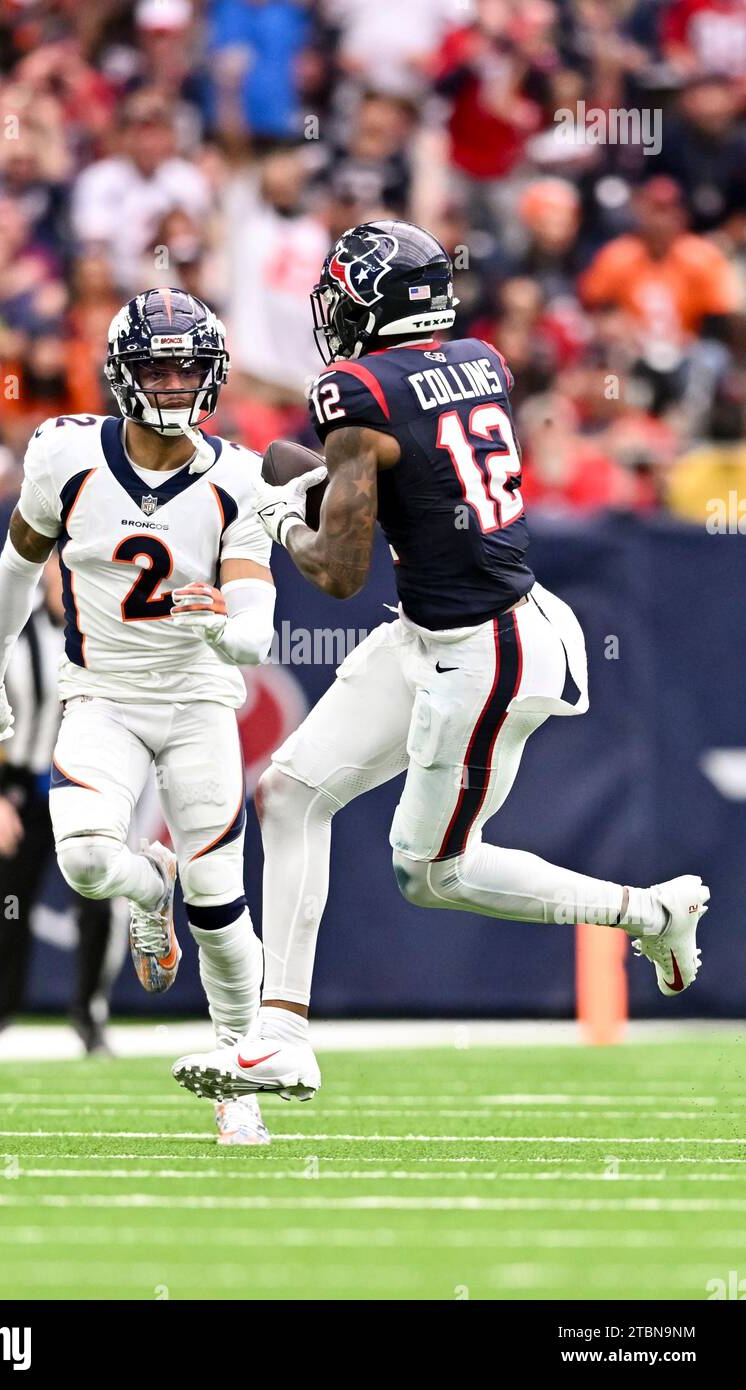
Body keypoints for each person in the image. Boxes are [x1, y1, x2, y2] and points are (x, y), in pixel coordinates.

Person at [172, 220, 710, 1104]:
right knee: (290, 791)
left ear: (373, 306)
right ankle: (281, 1036)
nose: (330, 316)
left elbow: (339, 573)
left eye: (343, 297)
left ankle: (650, 911)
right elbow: (417, 474)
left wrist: (279, 516)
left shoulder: (357, 388)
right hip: (437, 626)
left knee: (431, 872)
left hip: (483, 647)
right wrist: (316, 485)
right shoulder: (481, 358)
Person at [0, 288, 275, 1146]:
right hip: (101, 696)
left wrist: (230, 628)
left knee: (220, 906)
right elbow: (16, 572)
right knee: (91, 863)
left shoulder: (237, 477)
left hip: (200, 701)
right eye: (157, 367)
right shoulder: (65, 454)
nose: (175, 385)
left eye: (188, 367)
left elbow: (258, 619)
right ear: (122, 374)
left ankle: (237, 1078)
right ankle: (150, 890)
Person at [0, 556, 117, 1053]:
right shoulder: (7, 626)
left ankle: (90, 1015)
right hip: (22, 787)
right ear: (46, 565)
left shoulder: (113, 626)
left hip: (89, 784)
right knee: (8, 902)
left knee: (98, 901)